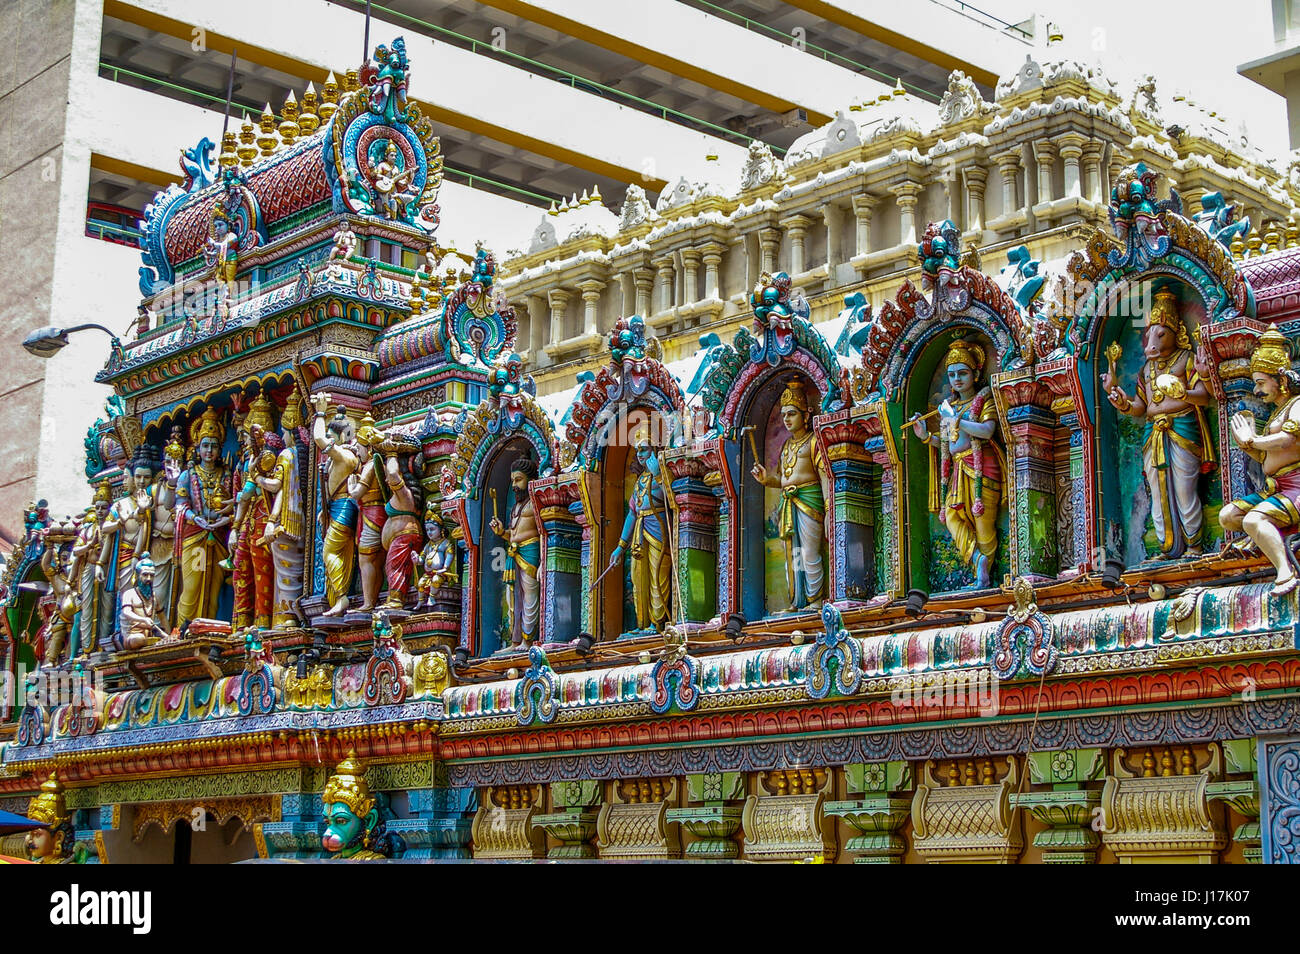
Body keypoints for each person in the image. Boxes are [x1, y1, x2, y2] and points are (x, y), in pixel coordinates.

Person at [1101, 288, 1214, 557]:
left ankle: (1194, 545)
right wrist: (1123, 402)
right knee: (1157, 490)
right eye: (1150, 333)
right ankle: (1167, 547)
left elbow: (1204, 398)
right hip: (1153, 433)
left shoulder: (1186, 360)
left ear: (1177, 333)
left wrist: (1186, 391)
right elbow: (1143, 407)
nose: (1152, 341)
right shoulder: (1146, 369)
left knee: (1185, 489)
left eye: (1161, 334)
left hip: (1181, 427)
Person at [909, 337, 1006, 589]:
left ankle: (984, 578)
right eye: (951, 375)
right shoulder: (949, 407)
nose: (956, 379)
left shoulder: (984, 400)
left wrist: (956, 420)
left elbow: (986, 430)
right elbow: (949, 442)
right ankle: (978, 560)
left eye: (962, 373)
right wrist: (925, 436)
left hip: (982, 468)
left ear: (975, 374)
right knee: (951, 517)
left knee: (983, 520)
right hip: (957, 470)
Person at [1222, 325, 1300, 593]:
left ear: (1281, 379)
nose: (1257, 390)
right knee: (1228, 516)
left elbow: (1288, 441)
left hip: (1295, 488)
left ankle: (1285, 573)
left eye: (1260, 382)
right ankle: (1272, 538)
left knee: (1252, 521)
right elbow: (1269, 454)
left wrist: (1252, 440)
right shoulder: (1276, 414)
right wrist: (1247, 446)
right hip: (1275, 489)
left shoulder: (1297, 405)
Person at [751, 379, 828, 611]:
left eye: (792, 414)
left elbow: (824, 475)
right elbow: (782, 480)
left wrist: (829, 505)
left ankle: (815, 600)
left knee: (810, 553)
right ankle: (796, 601)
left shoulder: (814, 442)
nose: (786, 419)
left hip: (809, 502)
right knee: (792, 555)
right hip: (789, 503)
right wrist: (766, 480)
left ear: (806, 415)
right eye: (784, 414)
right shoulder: (786, 446)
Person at [174, 408, 233, 627]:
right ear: (198, 448)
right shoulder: (188, 475)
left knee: (213, 590)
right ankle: (183, 630)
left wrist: (222, 520)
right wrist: (195, 518)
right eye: (205, 445)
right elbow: (181, 505)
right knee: (192, 587)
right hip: (196, 538)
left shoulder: (226, 475)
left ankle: (207, 629)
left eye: (214, 446)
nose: (209, 451)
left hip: (217, 538)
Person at [608, 430, 671, 632]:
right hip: (640, 531)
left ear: (655, 450)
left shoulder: (662, 473)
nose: (640, 455)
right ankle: (642, 622)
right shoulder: (640, 481)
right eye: (638, 451)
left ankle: (658, 623)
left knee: (657, 576)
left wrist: (659, 475)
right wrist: (620, 547)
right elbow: (632, 514)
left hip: (658, 529)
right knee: (638, 577)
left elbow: (673, 500)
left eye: (644, 450)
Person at [312, 394, 361, 617]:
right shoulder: (335, 458)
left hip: (344, 508)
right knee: (333, 551)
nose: (329, 440)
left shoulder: (346, 458)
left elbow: (319, 439)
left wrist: (320, 412)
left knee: (329, 551)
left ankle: (342, 597)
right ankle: (338, 596)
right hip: (334, 507)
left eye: (333, 436)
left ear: (343, 436)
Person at [489, 457, 540, 646]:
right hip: (513, 552)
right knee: (512, 598)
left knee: (529, 597)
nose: (514, 485)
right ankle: (515, 641)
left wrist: (544, 562)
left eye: (518, 479)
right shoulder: (517, 506)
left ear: (530, 479)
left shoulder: (535, 502)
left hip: (530, 551)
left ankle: (528, 641)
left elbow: (543, 531)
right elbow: (514, 534)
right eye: (512, 481)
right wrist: (502, 532)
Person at [118, 554, 164, 650]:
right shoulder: (129, 594)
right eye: (145, 574)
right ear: (137, 575)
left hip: (150, 636)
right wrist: (143, 620)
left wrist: (169, 635)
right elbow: (127, 612)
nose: (148, 579)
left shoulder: (154, 596)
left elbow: (163, 618)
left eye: (151, 575)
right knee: (139, 638)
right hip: (132, 637)